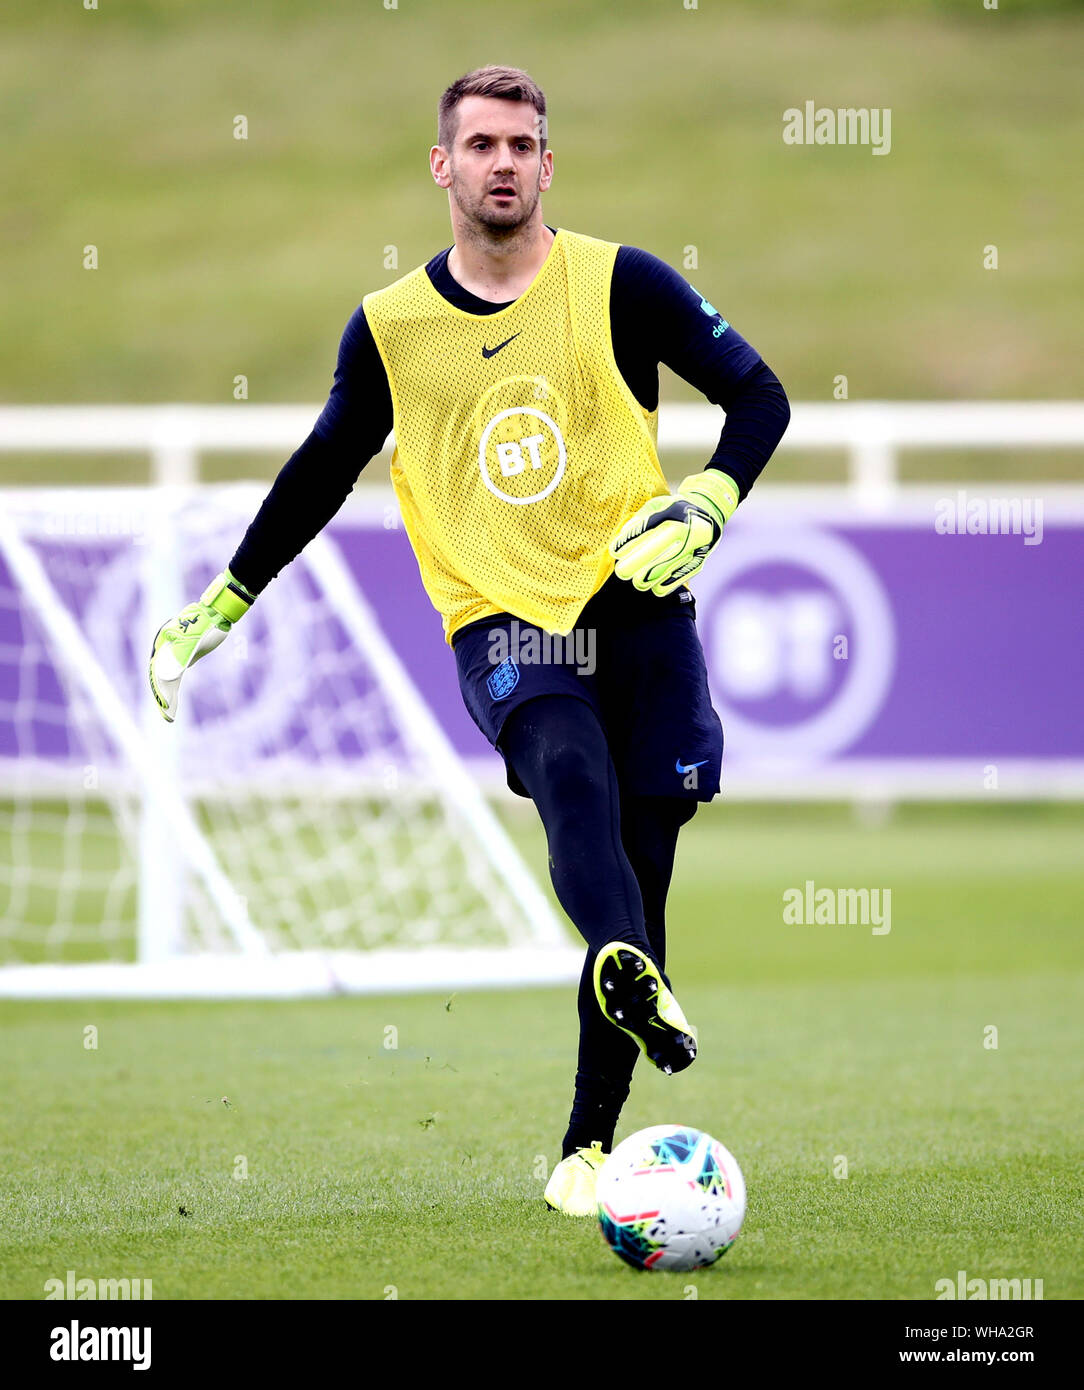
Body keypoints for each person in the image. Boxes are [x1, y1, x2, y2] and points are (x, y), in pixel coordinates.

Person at [149, 64, 790, 1217]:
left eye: (524, 144)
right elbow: (320, 468)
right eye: (482, 144)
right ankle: (618, 970)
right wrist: (225, 600)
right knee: (564, 769)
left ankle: (588, 1146)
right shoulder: (393, 326)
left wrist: (709, 501)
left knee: (638, 881)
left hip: (637, 608)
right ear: (442, 165)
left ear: (549, 164)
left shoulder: (620, 283)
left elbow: (760, 398)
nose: (504, 162)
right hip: (502, 617)